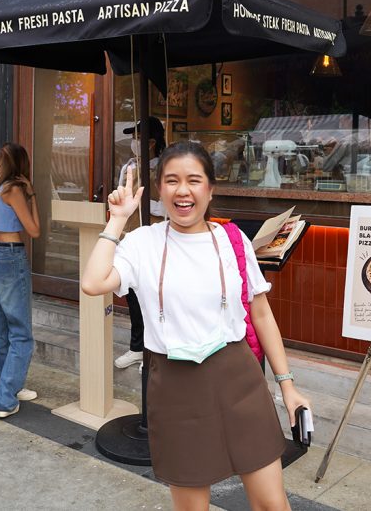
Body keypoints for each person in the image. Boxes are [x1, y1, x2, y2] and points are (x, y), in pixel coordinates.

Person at [82, 142, 311, 511]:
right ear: (159, 189)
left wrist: (288, 387)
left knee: (272, 504)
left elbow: (262, 314)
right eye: (172, 181)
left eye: (194, 180)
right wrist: (117, 220)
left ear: (210, 188)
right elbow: (93, 283)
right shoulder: (142, 243)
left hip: (239, 379)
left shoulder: (233, 240)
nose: (182, 190)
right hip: (176, 388)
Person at [0, 143, 41, 418]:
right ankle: (5, 399)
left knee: (4, 329)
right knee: (21, 334)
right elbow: (34, 230)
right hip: (12, 258)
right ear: (21, 164)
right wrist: (32, 195)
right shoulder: (14, 190)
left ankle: (7, 385)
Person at [114, 116, 167, 372]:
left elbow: (167, 207)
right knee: (133, 297)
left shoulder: (165, 167)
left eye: (137, 137)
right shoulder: (129, 167)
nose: (133, 142)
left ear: (151, 142)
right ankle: (137, 348)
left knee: (155, 298)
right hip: (131, 239)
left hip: (157, 240)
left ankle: (154, 352)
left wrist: (144, 206)